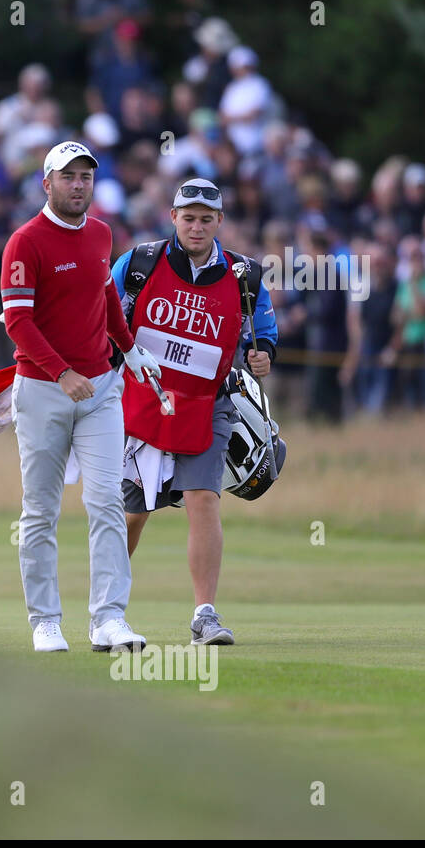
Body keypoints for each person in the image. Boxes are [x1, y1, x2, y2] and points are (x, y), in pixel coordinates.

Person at [3, 141, 160, 653]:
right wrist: (61, 371)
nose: (78, 185)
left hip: (100, 389)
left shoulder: (100, 233)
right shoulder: (25, 242)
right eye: (67, 176)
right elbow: (19, 322)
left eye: (85, 177)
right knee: (40, 511)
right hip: (42, 391)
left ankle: (108, 619)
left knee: (108, 502)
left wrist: (130, 350)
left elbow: (105, 294)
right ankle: (45, 620)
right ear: (47, 183)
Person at [109, 178, 277, 645]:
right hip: (142, 405)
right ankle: (107, 608)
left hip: (209, 404)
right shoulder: (140, 263)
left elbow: (261, 328)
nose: (197, 227)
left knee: (203, 497)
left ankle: (205, 615)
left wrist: (263, 353)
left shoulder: (245, 274)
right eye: (189, 218)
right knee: (134, 511)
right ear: (174, 219)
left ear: (220, 221)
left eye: (206, 219)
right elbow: (106, 316)